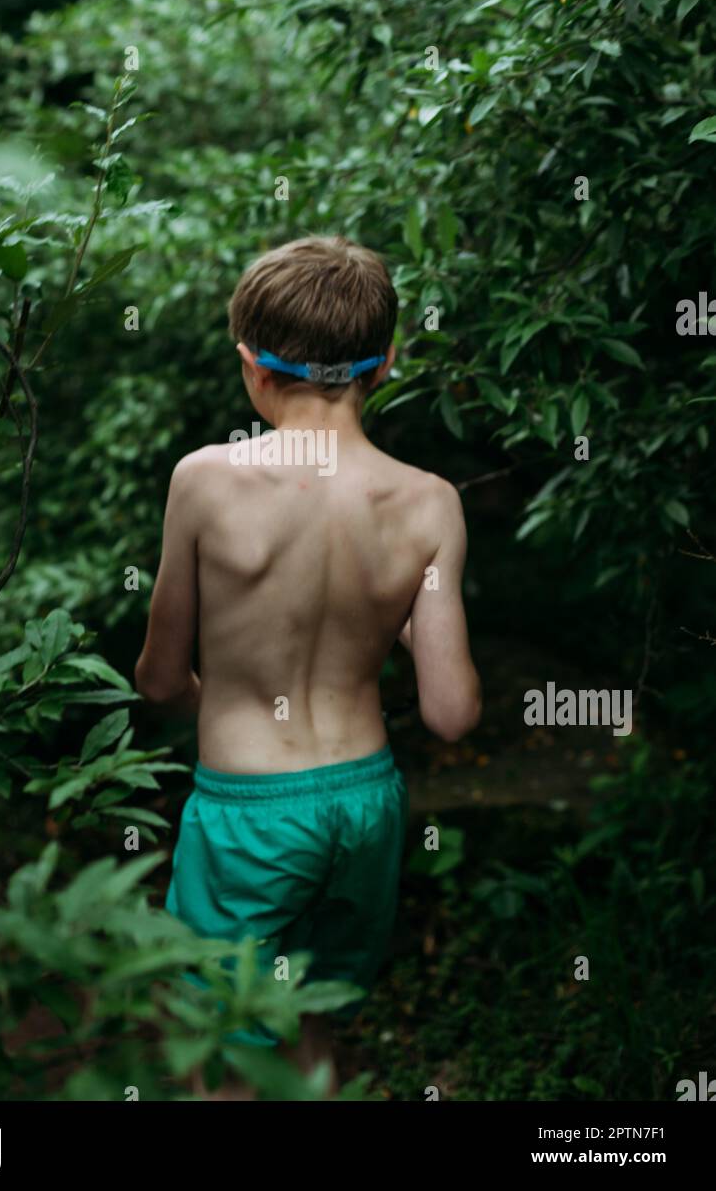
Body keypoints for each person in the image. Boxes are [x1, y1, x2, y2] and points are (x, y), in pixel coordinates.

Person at [134, 235, 481, 1097]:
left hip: (251, 816)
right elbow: (450, 711)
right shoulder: (430, 501)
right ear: (385, 365)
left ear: (253, 368)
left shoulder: (205, 482)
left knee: (222, 1045)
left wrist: (217, 706)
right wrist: (392, 612)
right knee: (308, 1015)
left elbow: (159, 679)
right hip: (364, 808)